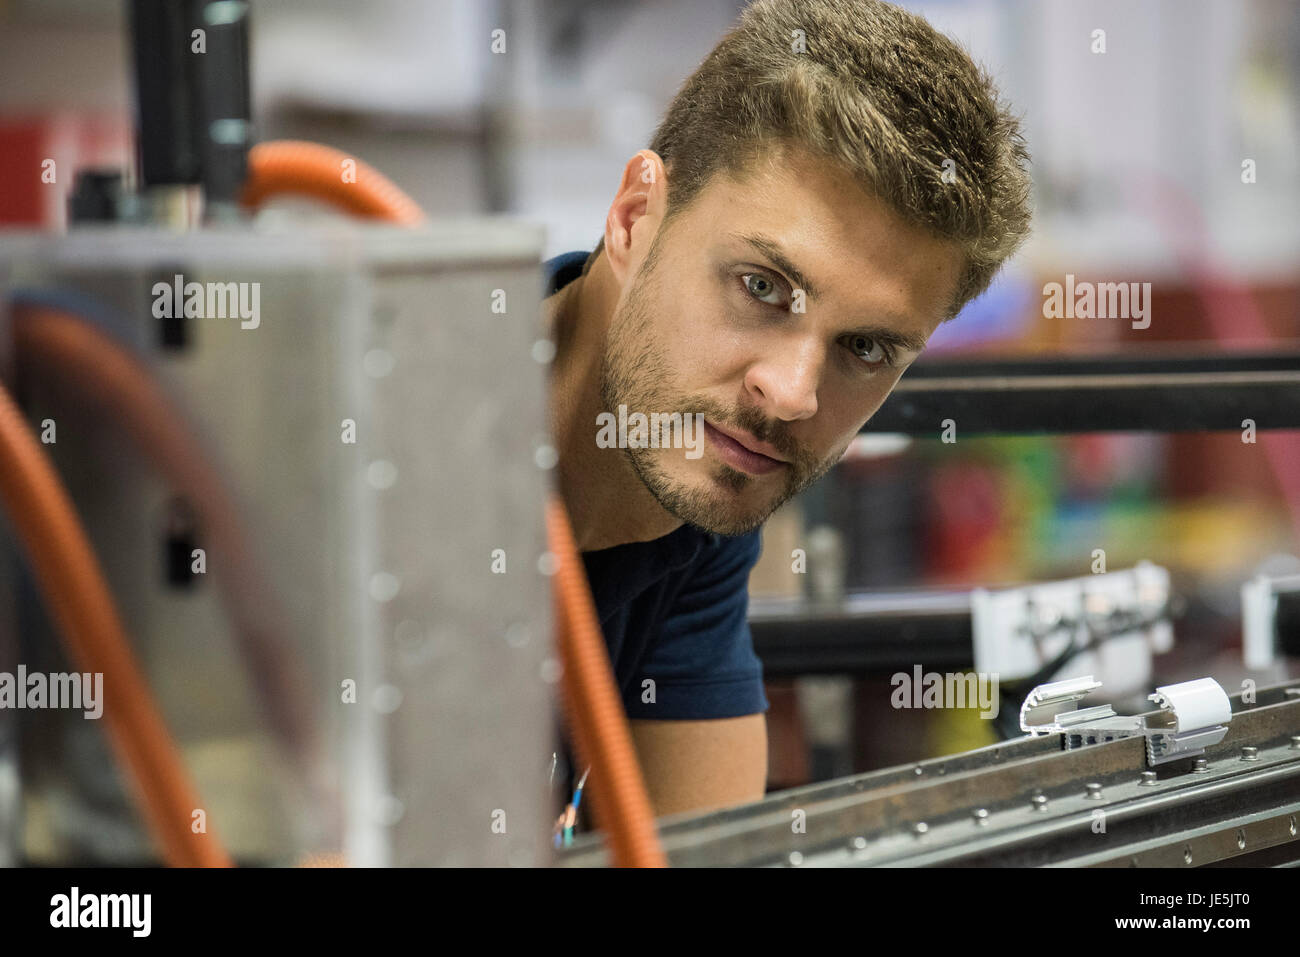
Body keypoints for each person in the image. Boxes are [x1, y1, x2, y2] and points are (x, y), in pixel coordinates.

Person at [544, 0, 1032, 821]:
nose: (794, 393)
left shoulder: (691, 498)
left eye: (866, 348)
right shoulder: (402, 441)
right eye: (762, 287)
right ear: (634, 218)